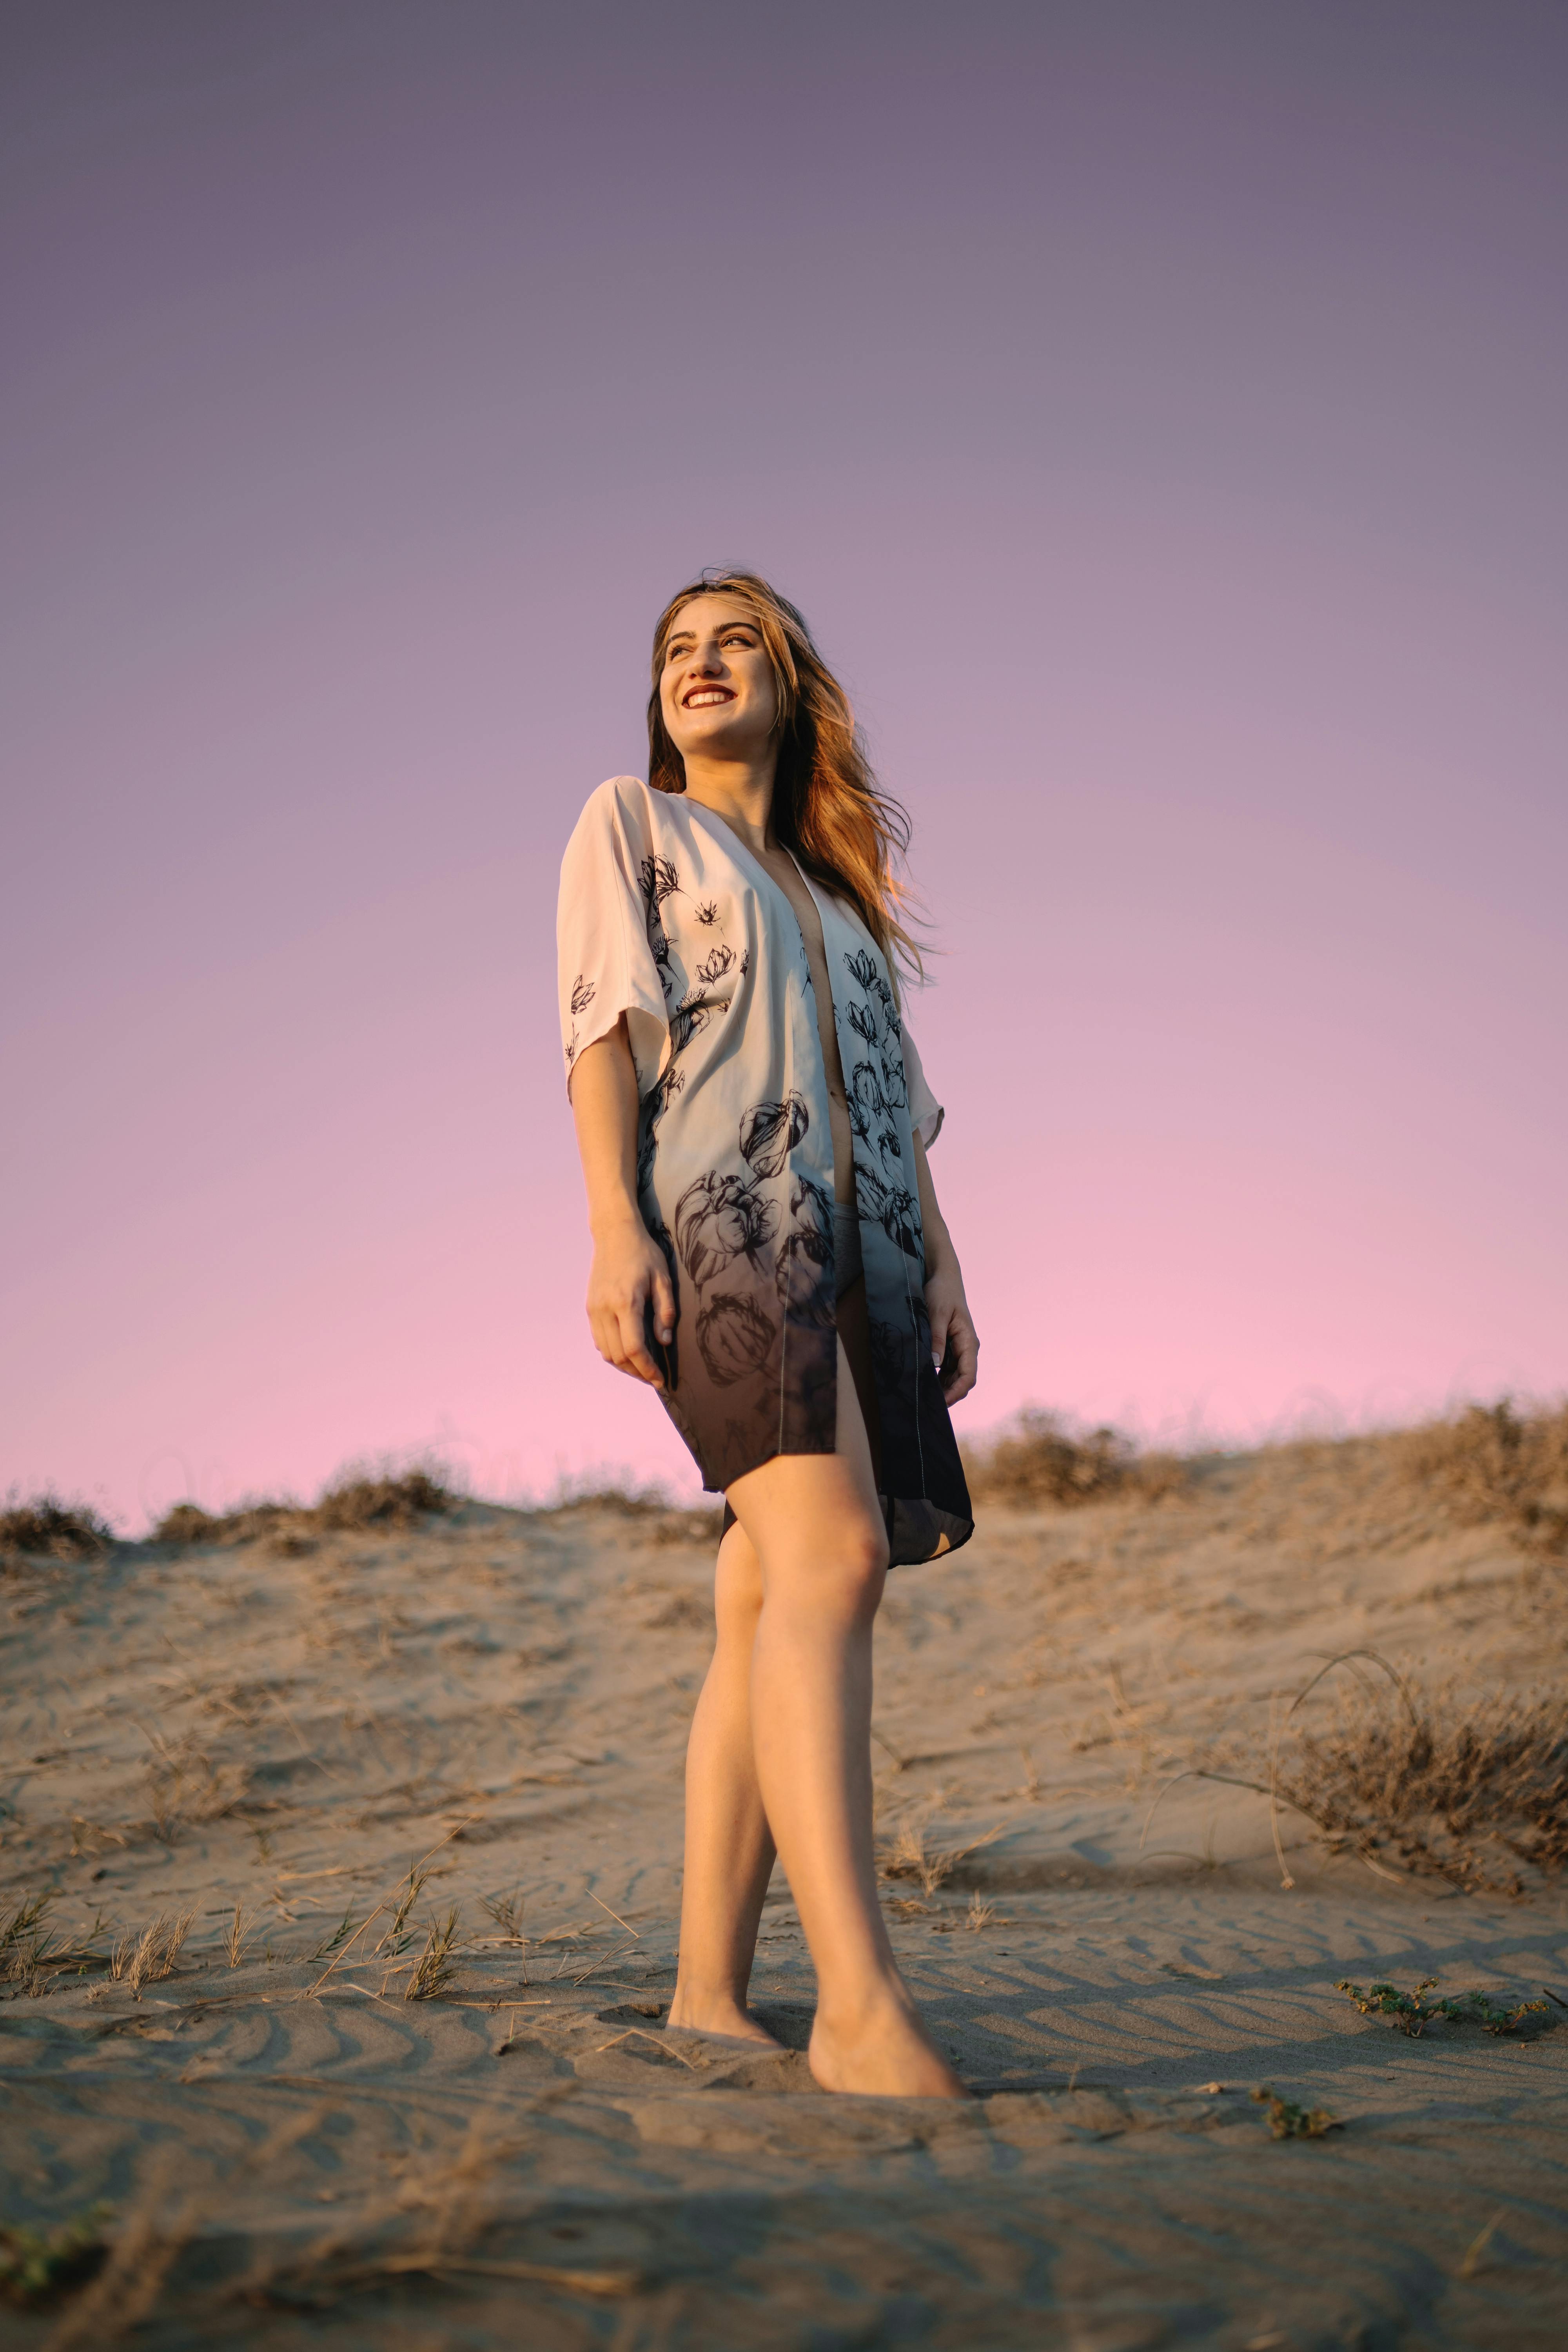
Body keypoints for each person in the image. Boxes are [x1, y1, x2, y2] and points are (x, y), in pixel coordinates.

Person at [556, 570, 979, 2097]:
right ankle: (857, 2006)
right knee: (832, 1558)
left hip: (871, 1256)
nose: (703, 662)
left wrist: (944, 1267)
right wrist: (614, 1227)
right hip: (729, 1224)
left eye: (737, 641)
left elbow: (898, 1103)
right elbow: (600, 1030)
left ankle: (708, 1997)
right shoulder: (632, 826)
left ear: (791, 685)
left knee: (759, 1589)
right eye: (678, 648)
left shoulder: (839, 897)